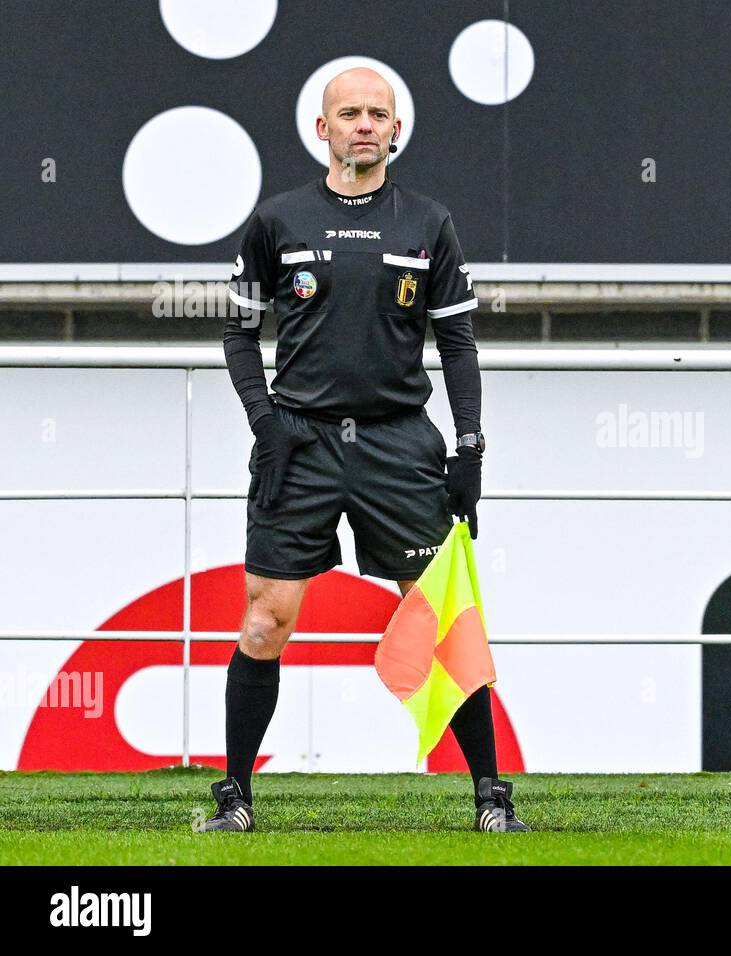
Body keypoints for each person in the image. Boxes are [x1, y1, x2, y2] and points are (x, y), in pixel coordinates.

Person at [199, 67, 527, 833]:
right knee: (265, 620)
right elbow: (237, 335)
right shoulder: (276, 221)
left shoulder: (428, 222)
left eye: (378, 114)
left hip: (398, 445)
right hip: (300, 446)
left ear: (396, 132)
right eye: (350, 113)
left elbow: (459, 343)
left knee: (447, 619)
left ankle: (491, 799)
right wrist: (265, 423)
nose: (365, 125)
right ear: (323, 128)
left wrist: (470, 448)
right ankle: (235, 799)